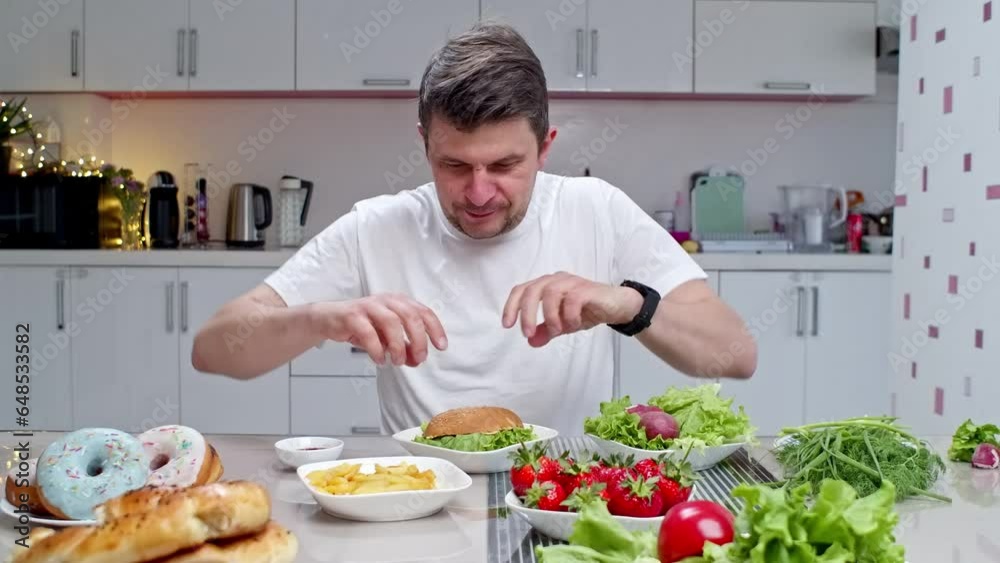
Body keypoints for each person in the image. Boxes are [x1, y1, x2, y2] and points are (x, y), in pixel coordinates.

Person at [191, 22, 756, 436]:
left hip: (565, 498)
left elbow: (737, 353)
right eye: (454, 166)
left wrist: (625, 304)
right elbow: (213, 351)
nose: (479, 193)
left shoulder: (596, 209)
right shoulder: (378, 226)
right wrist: (319, 317)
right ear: (425, 143)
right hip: (420, 493)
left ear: (546, 147)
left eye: (505, 166)